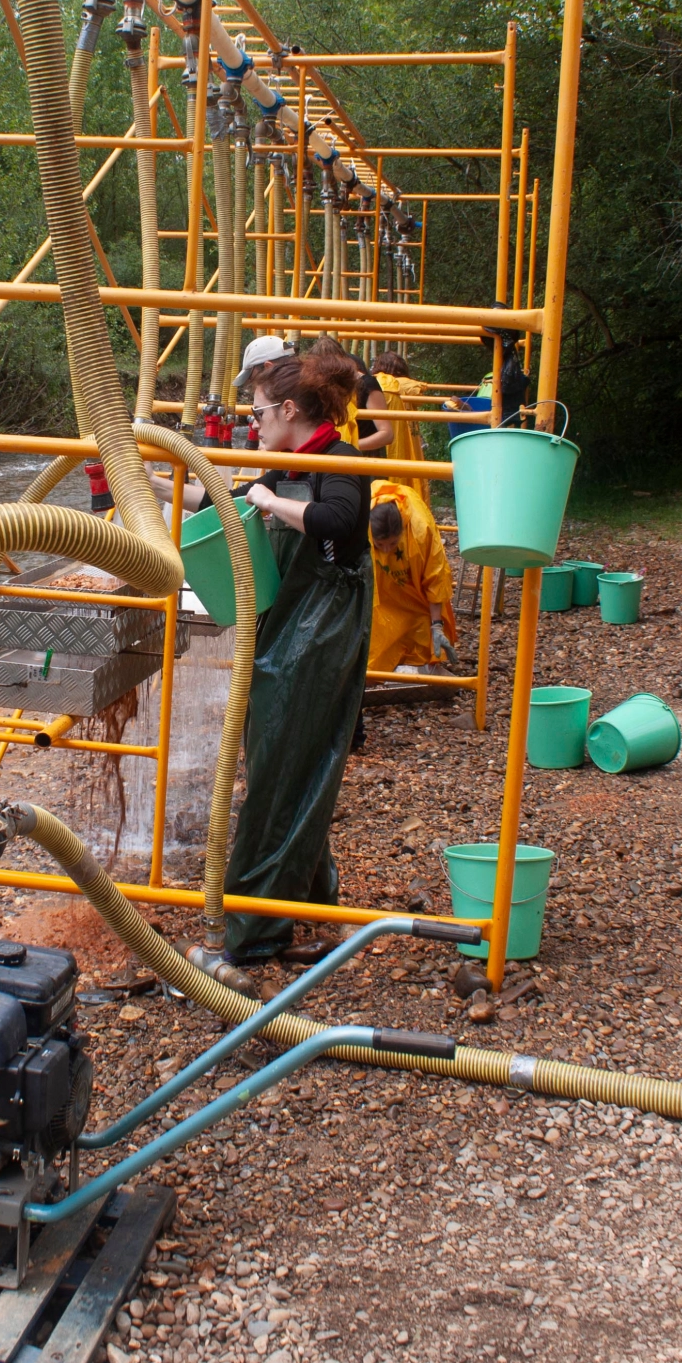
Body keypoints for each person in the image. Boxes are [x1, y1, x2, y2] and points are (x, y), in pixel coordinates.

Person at [220, 351, 372, 968]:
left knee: (281, 764)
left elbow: (341, 521)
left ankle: (255, 929)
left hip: (323, 623)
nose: (252, 422)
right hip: (292, 621)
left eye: (257, 412)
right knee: (286, 761)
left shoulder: (340, 461)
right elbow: (235, 501)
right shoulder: (289, 463)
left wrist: (267, 499)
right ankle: (314, 899)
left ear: (289, 410)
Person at [367, 482, 458, 675]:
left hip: (415, 593)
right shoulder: (360, 528)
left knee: (425, 645)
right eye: (379, 545)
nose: (385, 550)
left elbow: (436, 578)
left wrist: (437, 627)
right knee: (374, 656)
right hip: (383, 595)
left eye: (392, 544)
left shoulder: (420, 531)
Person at [372, 349, 429, 502]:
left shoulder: (374, 385)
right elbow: (418, 392)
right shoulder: (404, 387)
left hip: (383, 441)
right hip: (405, 440)